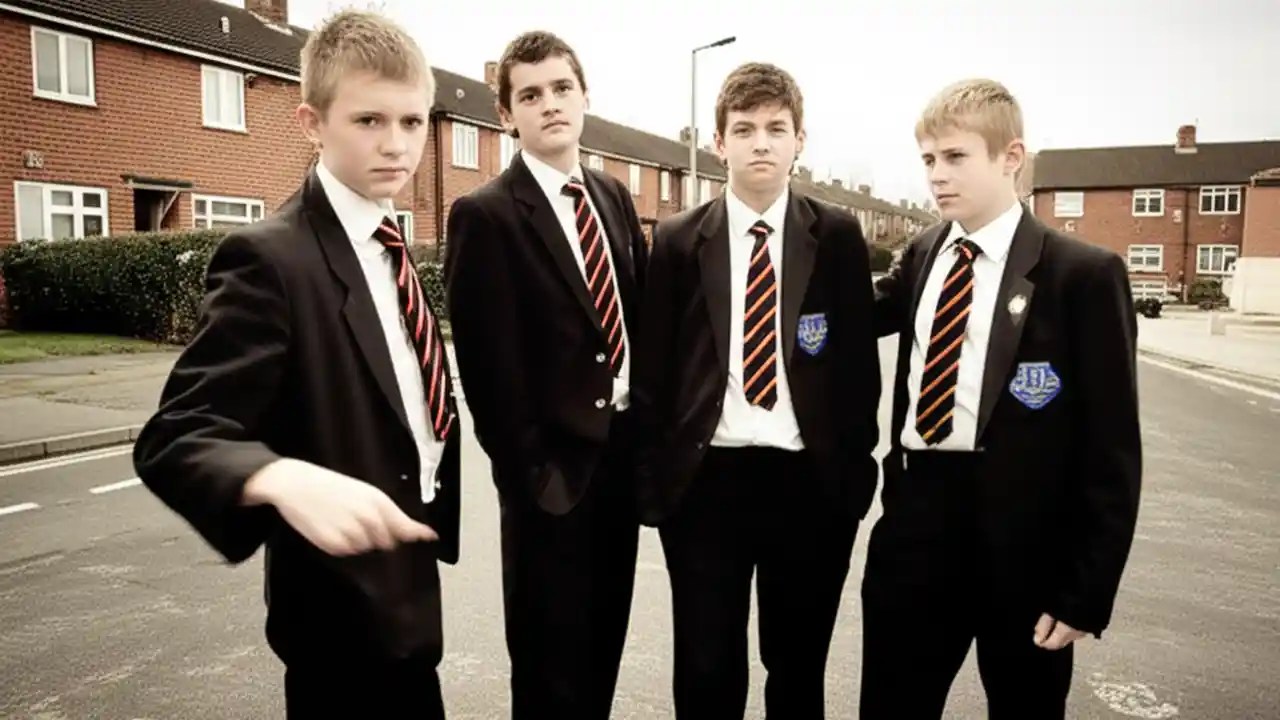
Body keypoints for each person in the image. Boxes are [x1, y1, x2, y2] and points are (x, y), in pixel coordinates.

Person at [131, 10, 458, 718]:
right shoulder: (270, 258)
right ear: (312, 122)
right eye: (369, 121)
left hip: (408, 595)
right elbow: (178, 435)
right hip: (337, 628)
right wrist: (279, 476)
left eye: (413, 122)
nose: (397, 145)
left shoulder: (387, 242)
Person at [861, 78, 1142, 719]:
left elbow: (1112, 448)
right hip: (917, 528)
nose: (937, 176)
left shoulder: (1082, 276)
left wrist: (1085, 591)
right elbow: (841, 319)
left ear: (1010, 158)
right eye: (928, 160)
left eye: (955, 157)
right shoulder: (925, 251)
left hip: (1026, 548)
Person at [631, 62, 880, 719]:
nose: (760, 142)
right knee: (707, 667)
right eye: (744, 129)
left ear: (801, 139)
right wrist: (657, 480)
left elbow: (858, 367)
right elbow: (655, 368)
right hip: (707, 484)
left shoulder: (838, 236)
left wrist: (855, 475)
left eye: (776, 128)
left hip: (811, 485)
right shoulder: (682, 239)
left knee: (796, 668)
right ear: (720, 143)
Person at [442, 30, 648, 720]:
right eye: (530, 95)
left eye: (562, 88)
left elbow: (638, 321)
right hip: (551, 483)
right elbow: (488, 373)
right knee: (548, 673)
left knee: (601, 657)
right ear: (507, 115)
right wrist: (533, 476)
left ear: (584, 96)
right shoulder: (485, 216)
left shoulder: (615, 199)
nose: (550, 104)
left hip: (620, 469)